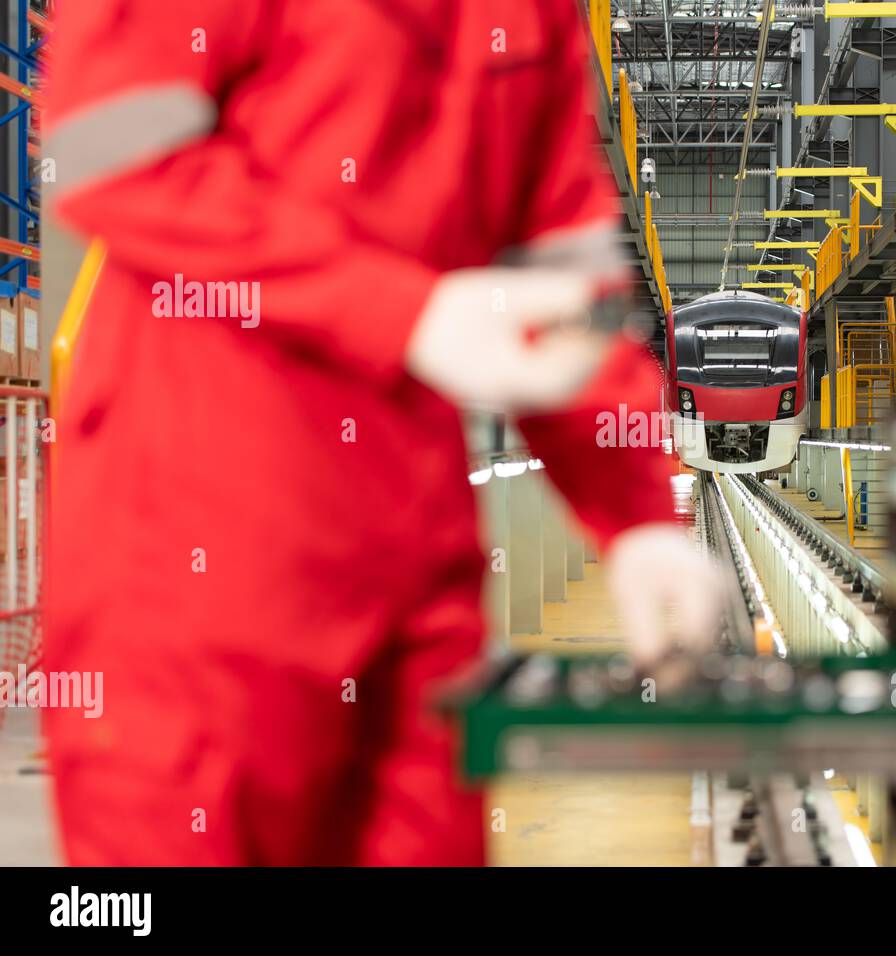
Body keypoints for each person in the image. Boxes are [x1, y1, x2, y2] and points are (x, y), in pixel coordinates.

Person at [43, 0, 721, 865]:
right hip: (194, 560)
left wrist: (637, 520)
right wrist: (400, 313)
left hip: (414, 576)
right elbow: (109, 151)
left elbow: (558, 273)